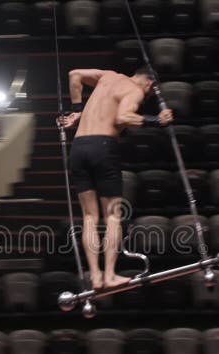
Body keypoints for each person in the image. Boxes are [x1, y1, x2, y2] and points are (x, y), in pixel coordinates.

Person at [59, 67, 174, 290]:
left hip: (79, 147)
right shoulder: (134, 90)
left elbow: (74, 74)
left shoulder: (107, 76)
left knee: (90, 216)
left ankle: (95, 276)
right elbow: (124, 116)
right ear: (149, 84)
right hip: (103, 148)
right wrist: (156, 121)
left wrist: (77, 110)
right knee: (112, 215)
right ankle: (110, 275)